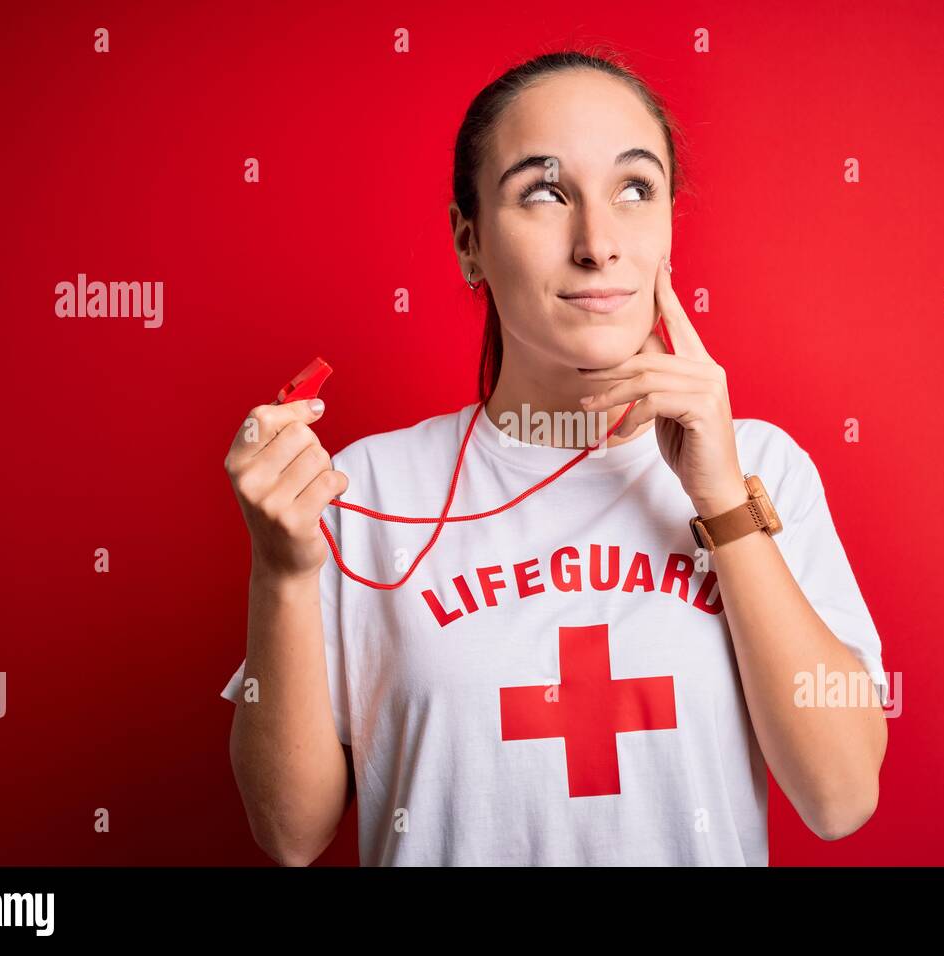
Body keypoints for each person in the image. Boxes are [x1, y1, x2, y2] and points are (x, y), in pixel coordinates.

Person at [219, 49, 888, 866]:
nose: (598, 243)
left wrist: (722, 503)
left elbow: (843, 797)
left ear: (670, 223)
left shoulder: (766, 471)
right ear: (470, 243)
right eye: (544, 192)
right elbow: (290, 836)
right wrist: (280, 574)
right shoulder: (363, 491)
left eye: (634, 189)